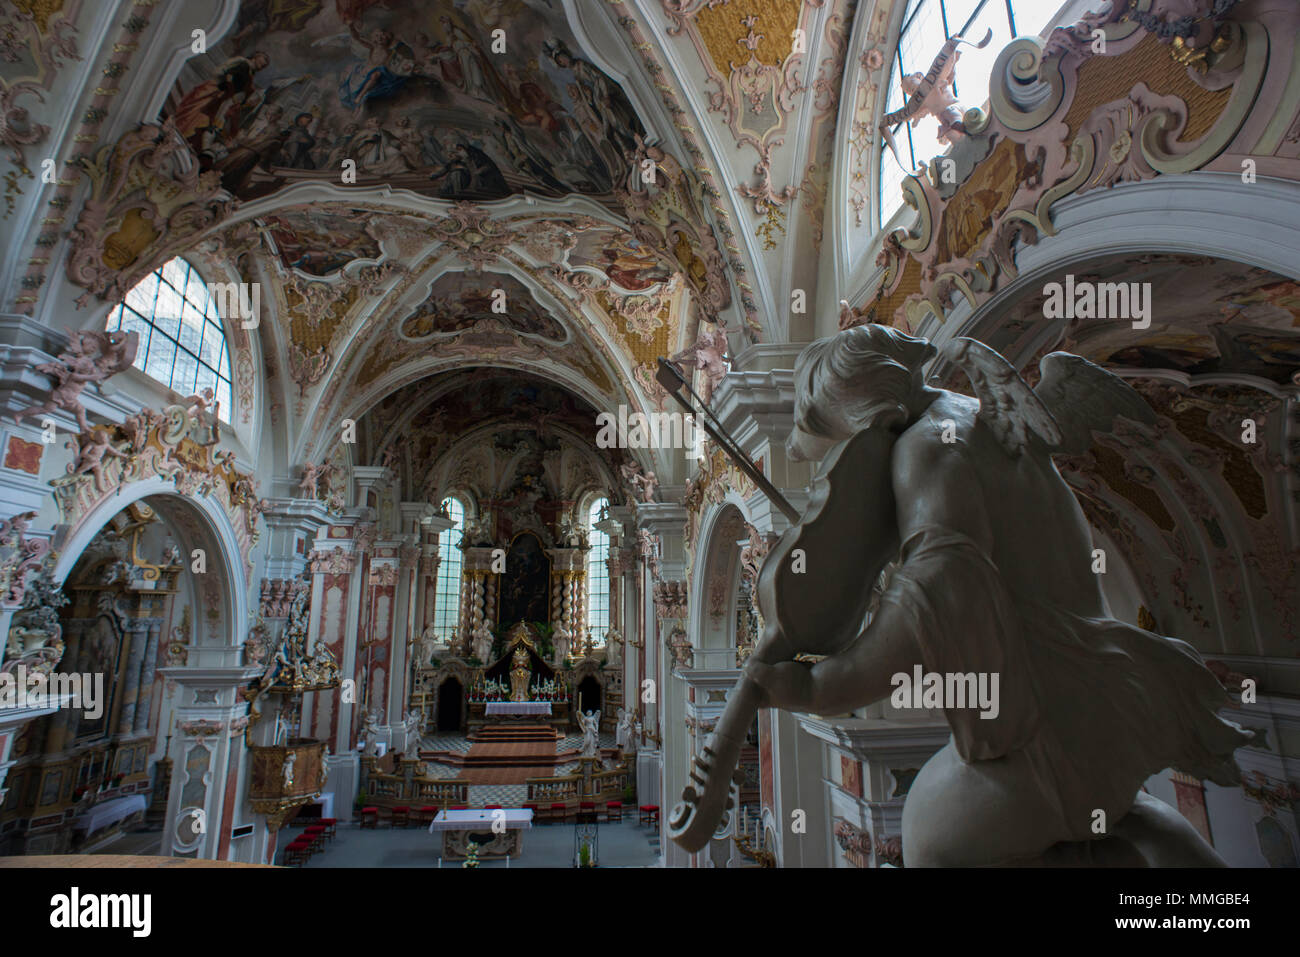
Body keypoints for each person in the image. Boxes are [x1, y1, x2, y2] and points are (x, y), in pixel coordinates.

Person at [743, 324, 1252, 866]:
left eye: (846, 443)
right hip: (1099, 693)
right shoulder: (977, 416)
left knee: (932, 844)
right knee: (1118, 817)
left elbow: (933, 597)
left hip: (1043, 720)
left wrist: (823, 687)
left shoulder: (924, 449)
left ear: (874, 417)